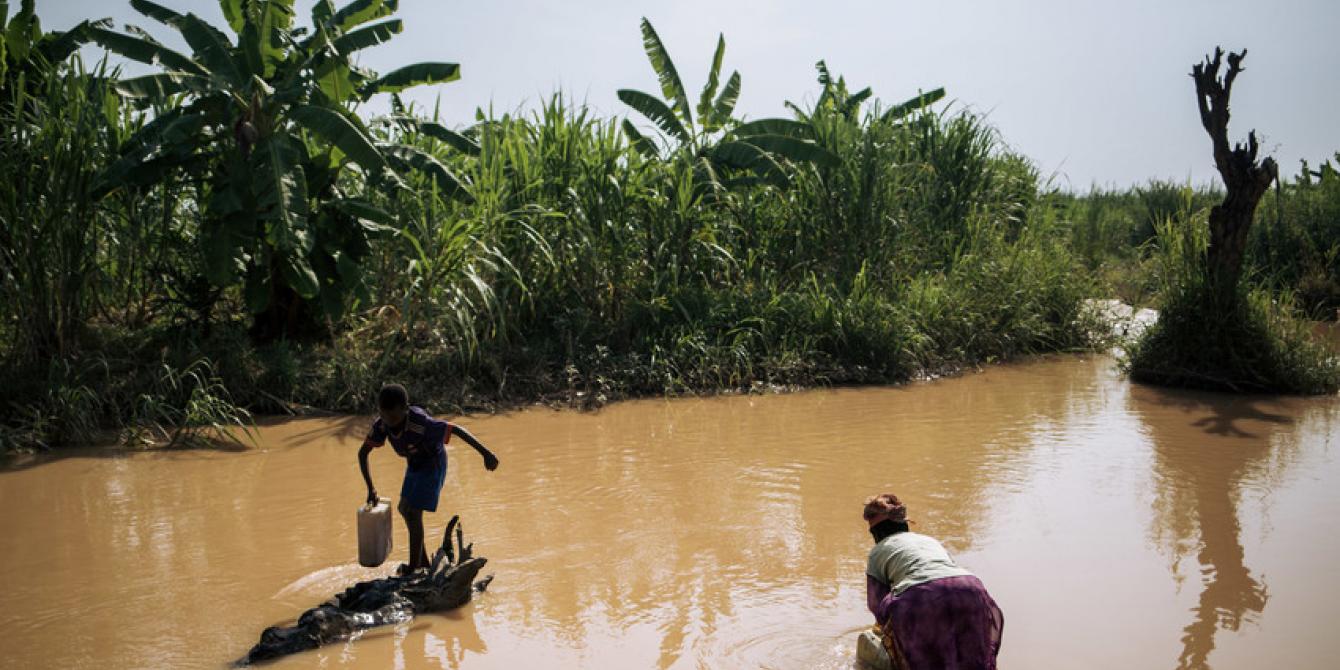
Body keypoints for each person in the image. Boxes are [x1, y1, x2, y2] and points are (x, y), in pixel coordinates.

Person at [358, 383, 499, 575]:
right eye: (384, 416)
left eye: (394, 417)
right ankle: (421, 563)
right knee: (404, 509)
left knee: (414, 512)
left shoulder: (421, 423)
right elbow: (362, 454)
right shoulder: (382, 425)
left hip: (433, 464)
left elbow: (455, 430)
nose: (390, 422)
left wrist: (486, 453)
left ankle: (413, 568)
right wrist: (370, 489)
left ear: (405, 409)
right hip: (414, 465)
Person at [863, 493, 1003, 670]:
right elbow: (945, 578)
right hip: (971, 589)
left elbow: (876, 605)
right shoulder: (929, 541)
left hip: (918, 596)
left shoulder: (877, 552)